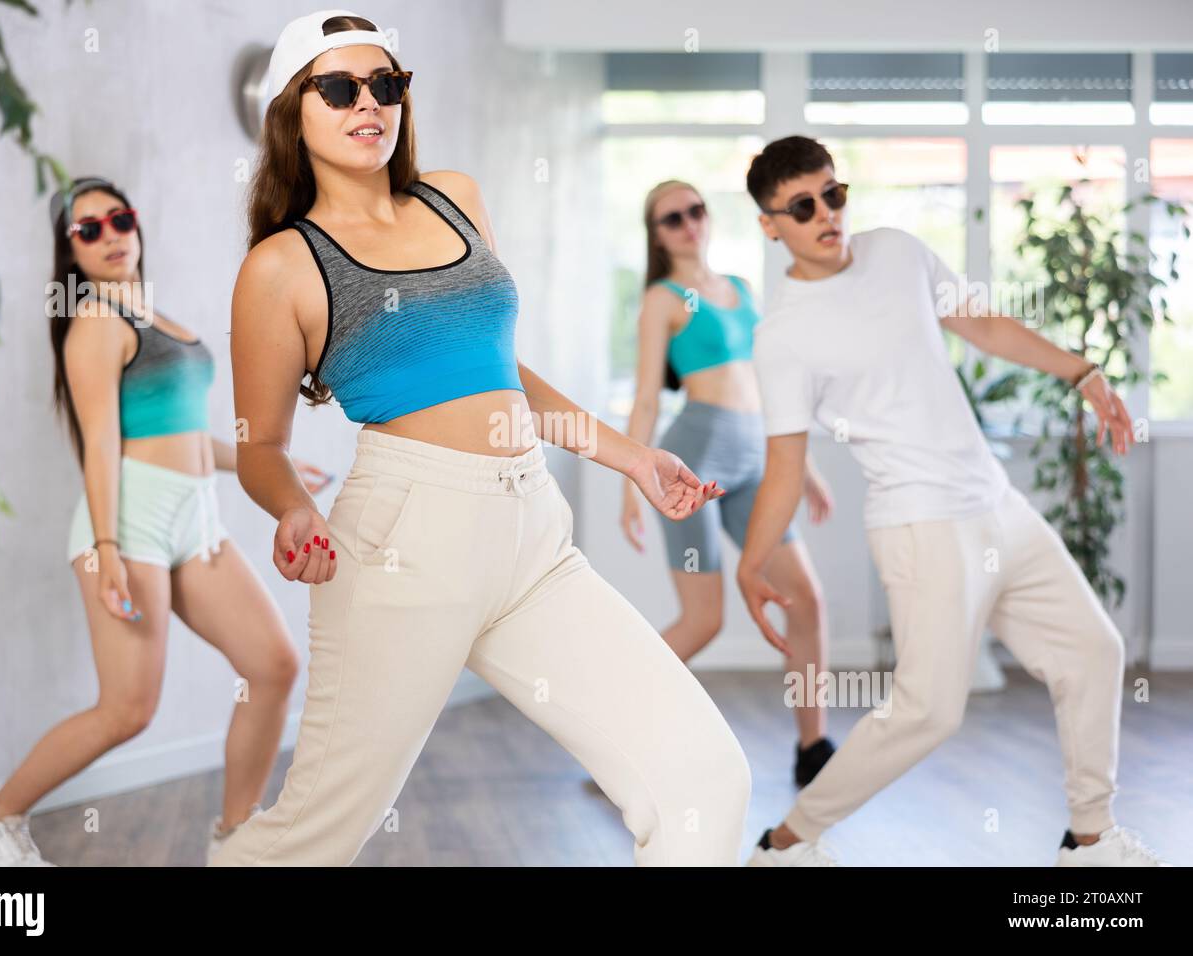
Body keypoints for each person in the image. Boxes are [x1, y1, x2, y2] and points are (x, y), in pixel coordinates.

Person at [208, 9, 754, 867]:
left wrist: (635, 457)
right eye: (341, 87)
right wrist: (290, 511)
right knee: (309, 841)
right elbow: (259, 445)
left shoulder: (454, 197)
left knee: (704, 778)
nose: (369, 103)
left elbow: (503, 376)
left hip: (533, 534)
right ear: (293, 109)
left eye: (386, 84)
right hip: (401, 548)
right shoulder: (281, 266)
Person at [737, 136, 1167, 867]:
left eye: (833, 194)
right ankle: (785, 845)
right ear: (771, 224)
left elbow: (983, 323)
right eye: (802, 206)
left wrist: (1083, 372)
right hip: (920, 524)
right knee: (929, 711)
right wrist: (753, 565)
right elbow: (785, 462)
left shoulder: (898, 253)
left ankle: (1090, 841)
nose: (826, 214)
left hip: (995, 504)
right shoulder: (784, 336)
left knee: (1093, 650)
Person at [0, 177, 322, 866]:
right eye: (88, 229)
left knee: (273, 663)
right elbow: (100, 445)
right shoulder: (94, 323)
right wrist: (106, 549)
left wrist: (270, 461)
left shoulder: (160, 317)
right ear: (71, 253)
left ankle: (235, 836)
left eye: (118, 218)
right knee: (128, 709)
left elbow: (180, 438)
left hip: (194, 522)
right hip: (130, 522)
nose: (110, 234)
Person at [621, 179, 836, 786]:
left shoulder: (741, 290)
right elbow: (644, 400)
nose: (689, 223)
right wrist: (628, 481)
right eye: (672, 218)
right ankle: (612, 734)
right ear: (657, 235)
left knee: (807, 599)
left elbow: (775, 388)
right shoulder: (663, 299)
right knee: (704, 620)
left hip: (757, 461)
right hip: (695, 460)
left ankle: (812, 747)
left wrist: (807, 469)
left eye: (696, 210)